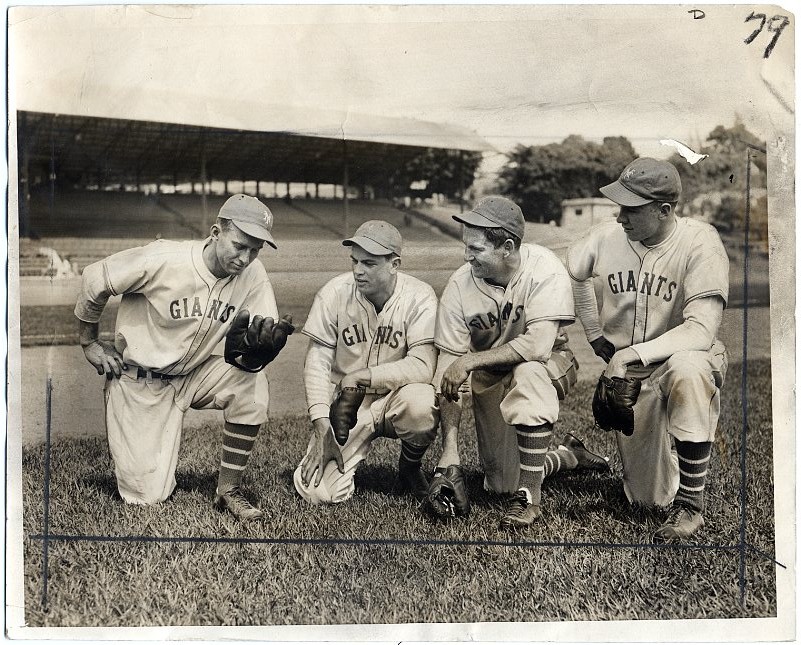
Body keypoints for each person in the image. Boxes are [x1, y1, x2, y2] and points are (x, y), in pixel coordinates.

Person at [74, 194, 288, 521]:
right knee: (147, 496)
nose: (246, 258)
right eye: (240, 245)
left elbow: (258, 337)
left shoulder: (253, 274)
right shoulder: (164, 258)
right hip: (140, 382)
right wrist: (89, 342)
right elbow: (94, 279)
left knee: (251, 381)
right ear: (215, 233)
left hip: (194, 376)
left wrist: (257, 356)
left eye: (255, 250)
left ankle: (228, 490)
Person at [566, 158, 729, 542]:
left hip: (686, 356)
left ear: (664, 210)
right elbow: (576, 274)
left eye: (632, 209)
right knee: (648, 498)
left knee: (689, 369)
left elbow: (700, 329)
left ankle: (691, 505)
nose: (620, 216)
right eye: (619, 206)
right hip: (632, 376)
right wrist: (593, 332)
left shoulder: (700, 242)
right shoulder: (605, 237)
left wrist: (625, 356)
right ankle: (661, 455)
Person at [434, 196, 610, 529]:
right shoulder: (459, 285)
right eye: (466, 247)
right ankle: (570, 455)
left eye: (476, 249)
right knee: (501, 484)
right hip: (490, 374)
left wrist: (470, 360)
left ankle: (529, 498)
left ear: (507, 247)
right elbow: (449, 371)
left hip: (550, 363)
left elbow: (538, 345)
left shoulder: (544, 268)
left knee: (528, 371)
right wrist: (450, 453)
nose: (467, 255)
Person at [294, 220, 440, 504]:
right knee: (317, 493)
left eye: (369, 263)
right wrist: (321, 424)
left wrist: (363, 376)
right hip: (348, 407)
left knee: (421, 405)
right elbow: (316, 363)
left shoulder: (419, 296)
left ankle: (409, 467)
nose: (358, 270)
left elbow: (423, 365)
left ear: (394, 264)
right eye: (355, 261)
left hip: (397, 397)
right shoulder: (334, 292)